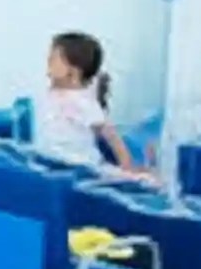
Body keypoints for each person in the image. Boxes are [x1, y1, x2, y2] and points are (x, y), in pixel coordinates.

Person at [36, 31, 135, 169]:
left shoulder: (82, 102)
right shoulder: (52, 93)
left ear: (73, 71)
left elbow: (111, 136)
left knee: (123, 176)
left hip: (84, 166)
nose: (48, 61)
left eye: (53, 58)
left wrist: (127, 167)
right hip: (55, 164)